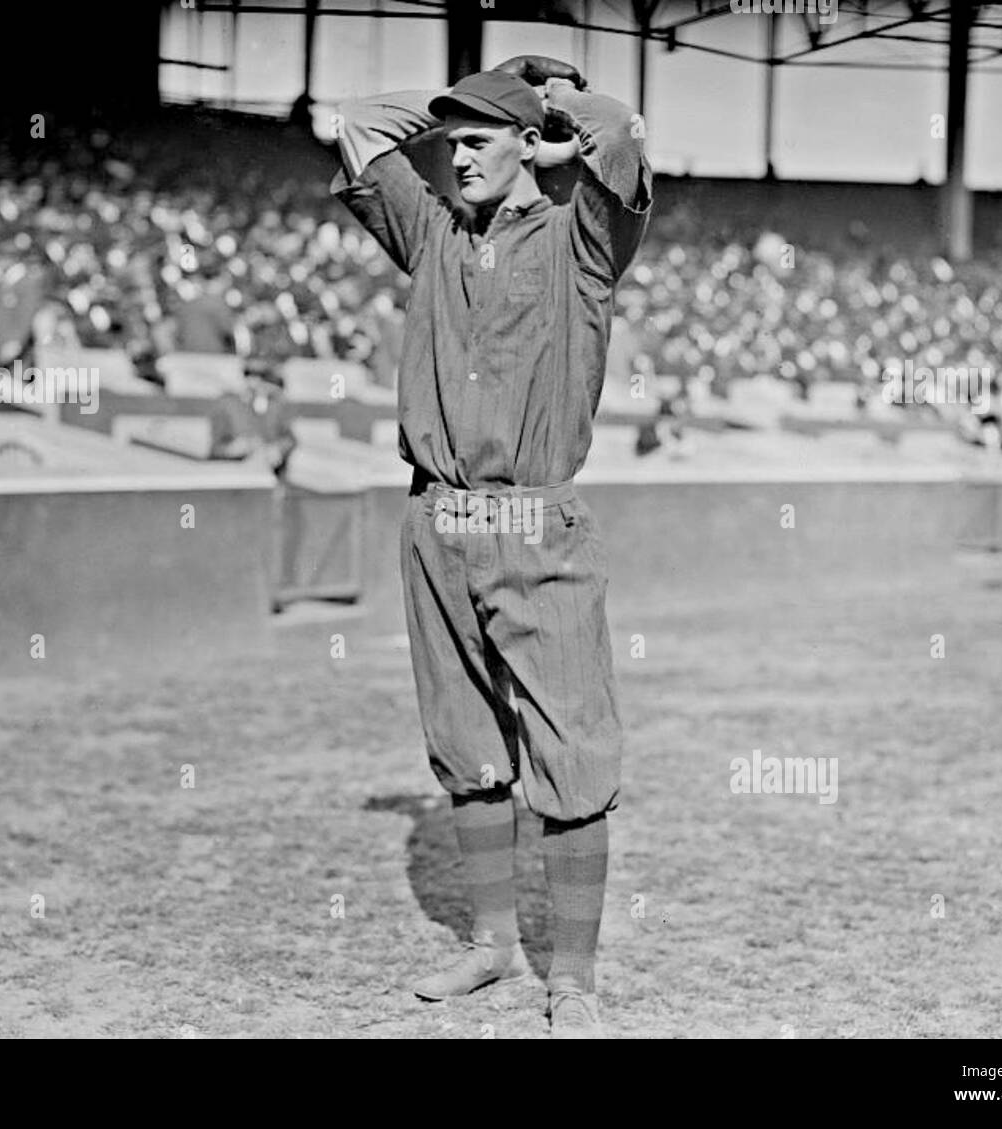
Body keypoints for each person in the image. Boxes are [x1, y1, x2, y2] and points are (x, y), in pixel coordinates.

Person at [332, 55, 652, 1037]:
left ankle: (575, 979)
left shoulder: (581, 240)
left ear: (528, 145)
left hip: (530, 522)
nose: (456, 155)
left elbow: (623, 132)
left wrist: (547, 105)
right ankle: (488, 947)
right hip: (436, 519)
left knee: (568, 751)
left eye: (479, 140)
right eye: (449, 141)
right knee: (466, 746)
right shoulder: (428, 228)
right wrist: (471, 96)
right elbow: (353, 125)